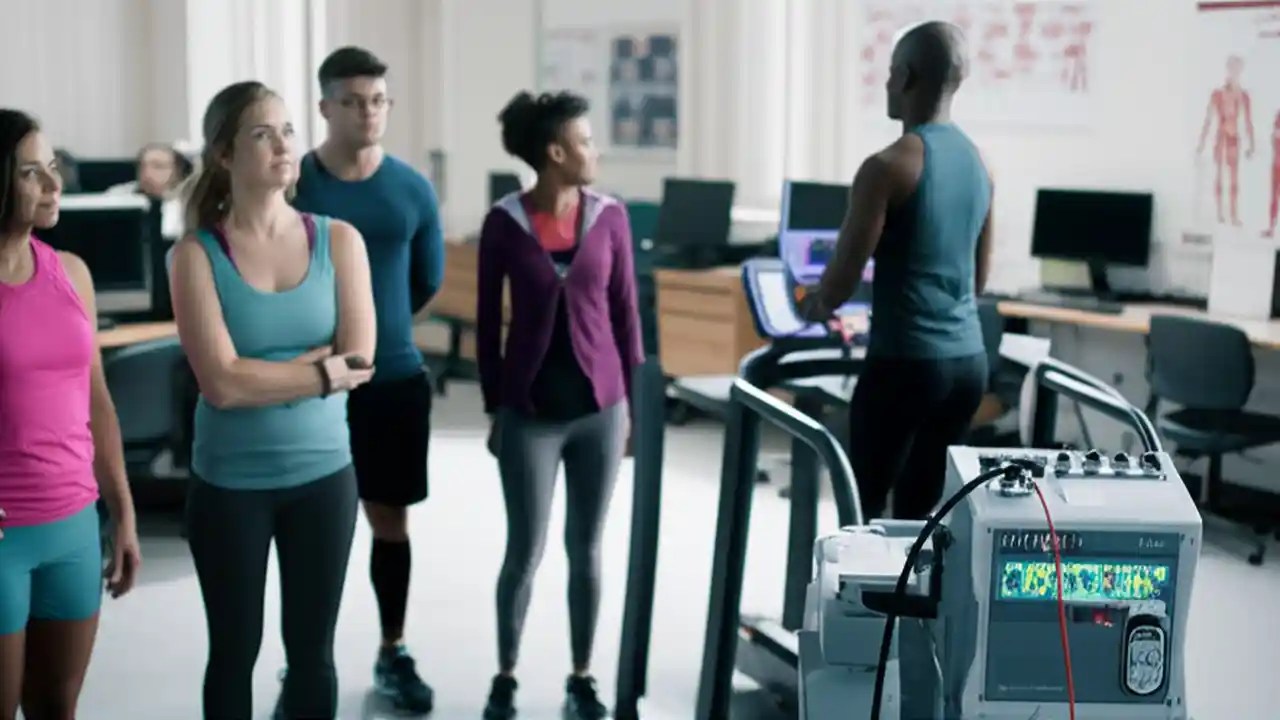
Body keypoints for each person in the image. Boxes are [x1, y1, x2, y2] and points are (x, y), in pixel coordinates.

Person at [168, 80, 376, 720]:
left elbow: (361, 359)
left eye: (287, 129)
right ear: (225, 155)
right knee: (234, 651)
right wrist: (318, 371)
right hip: (230, 486)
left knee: (314, 654)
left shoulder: (339, 240)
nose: (284, 144)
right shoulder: (195, 255)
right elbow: (222, 385)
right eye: (262, 133)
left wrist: (266, 371)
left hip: (324, 478)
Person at [475, 90, 642, 720]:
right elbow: (489, 323)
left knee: (587, 548)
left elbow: (628, 315)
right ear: (554, 152)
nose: (594, 150)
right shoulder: (504, 223)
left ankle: (581, 677)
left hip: (600, 409)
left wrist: (629, 407)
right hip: (530, 413)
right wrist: (496, 408)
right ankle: (506, 676)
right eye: (586, 140)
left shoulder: (611, 217)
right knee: (525, 551)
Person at [292, 46, 442, 714]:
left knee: (390, 521)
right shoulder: (296, 184)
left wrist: (373, 337)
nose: (367, 111)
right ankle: (305, 667)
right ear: (325, 107)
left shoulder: (411, 188)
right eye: (352, 100)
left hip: (394, 380)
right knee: (307, 531)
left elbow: (424, 281)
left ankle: (393, 648)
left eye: (377, 99)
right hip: (311, 381)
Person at [799, 21, 993, 521]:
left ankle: (863, 601)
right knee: (919, 513)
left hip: (906, 364)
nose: (886, 85)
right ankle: (907, 597)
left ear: (905, 76)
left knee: (860, 505)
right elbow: (979, 282)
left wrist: (813, 304)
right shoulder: (981, 164)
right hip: (968, 364)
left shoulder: (887, 167)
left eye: (889, 74)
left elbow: (840, 283)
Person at [0, 108, 142, 720]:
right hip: (6, 534)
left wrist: (124, 512)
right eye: (33, 172)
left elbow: (97, 401)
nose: (55, 185)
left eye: (53, 167)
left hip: (73, 524)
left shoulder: (71, 273)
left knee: (58, 706)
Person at [1197, 55, 1255, 226]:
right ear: (1228, 69)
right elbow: (1208, 119)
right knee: (1220, 175)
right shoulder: (1218, 94)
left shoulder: (1243, 95)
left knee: (1234, 178)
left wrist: (1252, 144)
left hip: (1234, 138)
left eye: (1237, 68)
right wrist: (1201, 144)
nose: (1234, 71)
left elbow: (1248, 121)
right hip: (1221, 137)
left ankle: (1233, 214)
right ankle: (1219, 213)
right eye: (1232, 67)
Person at [108, 142, 194, 199]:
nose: (147, 173)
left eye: (158, 166)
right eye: (142, 166)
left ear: (177, 171)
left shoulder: (189, 200)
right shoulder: (118, 196)